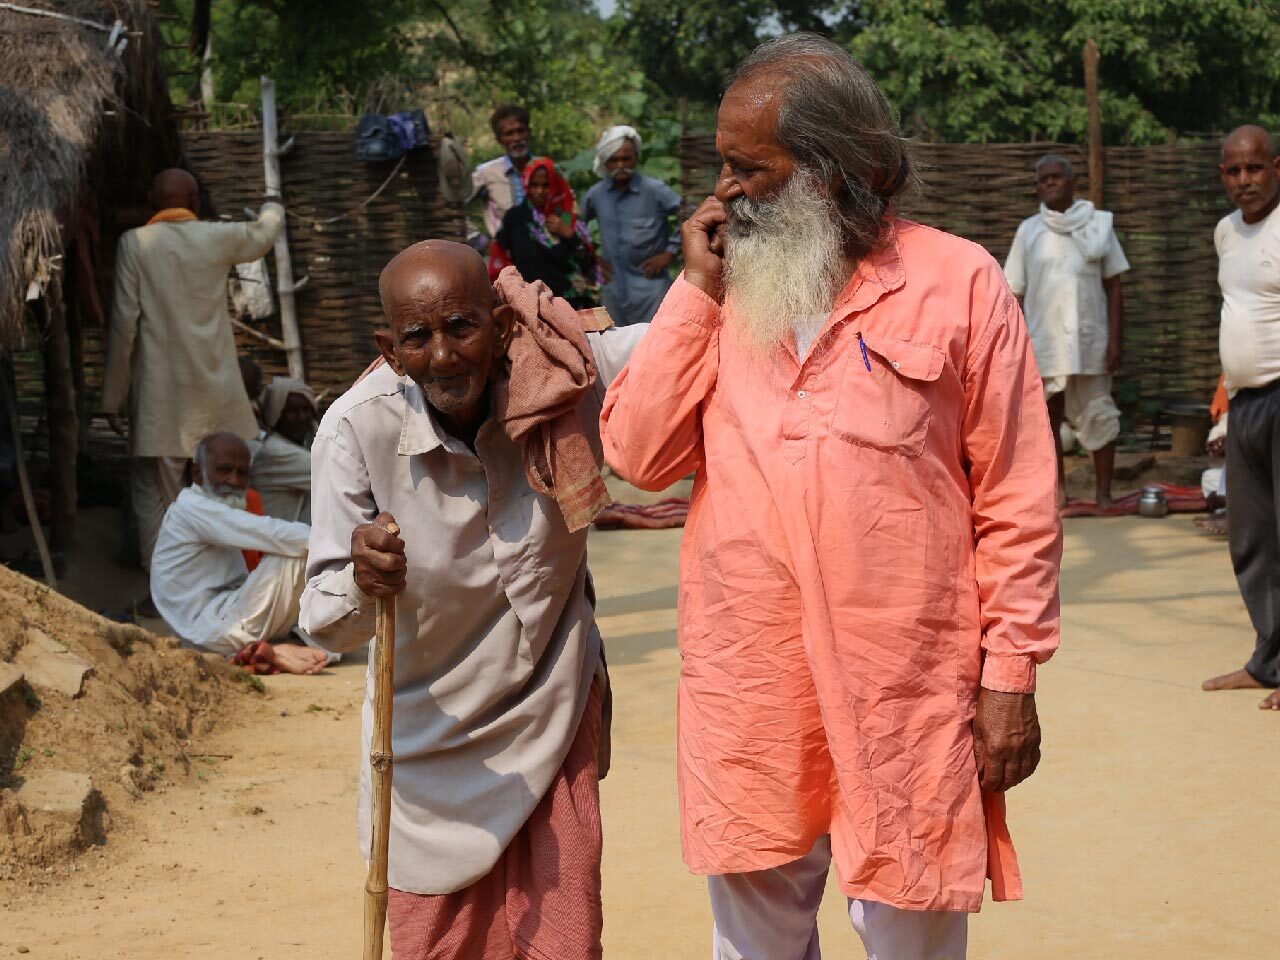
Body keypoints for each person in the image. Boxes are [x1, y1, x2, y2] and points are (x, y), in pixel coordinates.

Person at [600, 34, 1061, 959]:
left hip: (909, 689)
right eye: (721, 164)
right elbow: (636, 457)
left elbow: (1017, 496)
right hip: (753, 686)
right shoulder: (722, 286)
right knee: (755, 943)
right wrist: (693, 293)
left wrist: (1009, 678)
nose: (723, 189)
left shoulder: (957, 280)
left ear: (831, 170)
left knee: (912, 929)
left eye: (748, 167)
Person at [299, 240, 647, 960]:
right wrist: (365, 582)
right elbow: (322, 620)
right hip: (429, 742)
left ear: (499, 323)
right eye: (418, 338)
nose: (445, 355)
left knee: (564, 938)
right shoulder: (355, 430)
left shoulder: (563, 376)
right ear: (389, 351)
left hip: (552, 705)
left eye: (461, 327)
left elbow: (674, 347)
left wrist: (707, 279)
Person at [101, 169, 283, 571]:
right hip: (214, 398)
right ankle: (223, 584)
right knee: (222, 495)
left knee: (156, 499)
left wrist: (112, 397)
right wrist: (273, 205)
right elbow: (263, 234)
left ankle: (163, 591)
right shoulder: (216, 238)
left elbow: (122, 323)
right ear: (195, 201)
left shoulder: (135, 244)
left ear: (152, 199)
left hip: (158, 399)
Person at [1200, 124, 1280, 710]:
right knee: (1250, 537)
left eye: (1253, 168)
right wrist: (1223, 414)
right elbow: (1238, 319)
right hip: (1248, 403)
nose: (1243, 180)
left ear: (1276, 167)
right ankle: (1269, 662)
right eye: (1232, 171)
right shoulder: (1226, 234)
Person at [1004, 154, 1129, 509]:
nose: (1050, 184)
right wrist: (1016, 344)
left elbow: (1115, 286)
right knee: (1048, 418)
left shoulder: (1098, 225)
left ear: (1073, 182)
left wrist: (1115, 341)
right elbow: (1014, 290)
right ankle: (1057, 493)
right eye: (1043, 180)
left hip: (1092, 339)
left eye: (1057, 177)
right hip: (1045, 342)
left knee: (1100, 412)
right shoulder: (1029, 231)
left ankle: (1104, 494)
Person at [150, 432, 329, 676]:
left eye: (242, 473)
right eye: (224, 470)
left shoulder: (216, 506)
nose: (233, 481)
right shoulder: (191, 508)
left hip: (223, 618)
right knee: (298, 552)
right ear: (197, 472)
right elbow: (274, 534)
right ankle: (277, 649)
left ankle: (278, 649)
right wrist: (344, 542)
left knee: (307, 556)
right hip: (210, 629)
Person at [581, 126, 682, 325]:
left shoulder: (655, 190)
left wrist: (670, 252)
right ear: (605, 162)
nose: (620, 164)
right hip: (613, 289)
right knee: (616, 348)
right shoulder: (596, 195)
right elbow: (575, 226)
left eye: (626, 159)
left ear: (635, 158)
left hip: (652, 289)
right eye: (613, 160)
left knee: (656, 344)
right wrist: (592, 258)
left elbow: (690, 214)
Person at [496, 158, 600, 308]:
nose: (539, 191)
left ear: (554, 185)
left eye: (545, 185)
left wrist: (569, 234)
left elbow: (587, 264)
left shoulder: (568, 217)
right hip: (530, 305)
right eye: (534, 185)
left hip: (571, 305)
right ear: (526, 185)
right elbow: (502, 258)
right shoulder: (515, 218)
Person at [472, 104, 538, 278]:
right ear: (500, 139)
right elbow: (453, 206)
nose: (516, 138)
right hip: (505, 261)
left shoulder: (545, 169)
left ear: (528, 132)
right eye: (509, 133)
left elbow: (568, 211)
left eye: (520, 131)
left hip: (544, 258)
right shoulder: (486, 174)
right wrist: (481, 241)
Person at [250, 377, 318, 523]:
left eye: (306, 409)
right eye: (291, 411)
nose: (301, 417)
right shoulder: (275, 452)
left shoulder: (299, 447)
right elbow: (339, 471)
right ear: (276, 415)